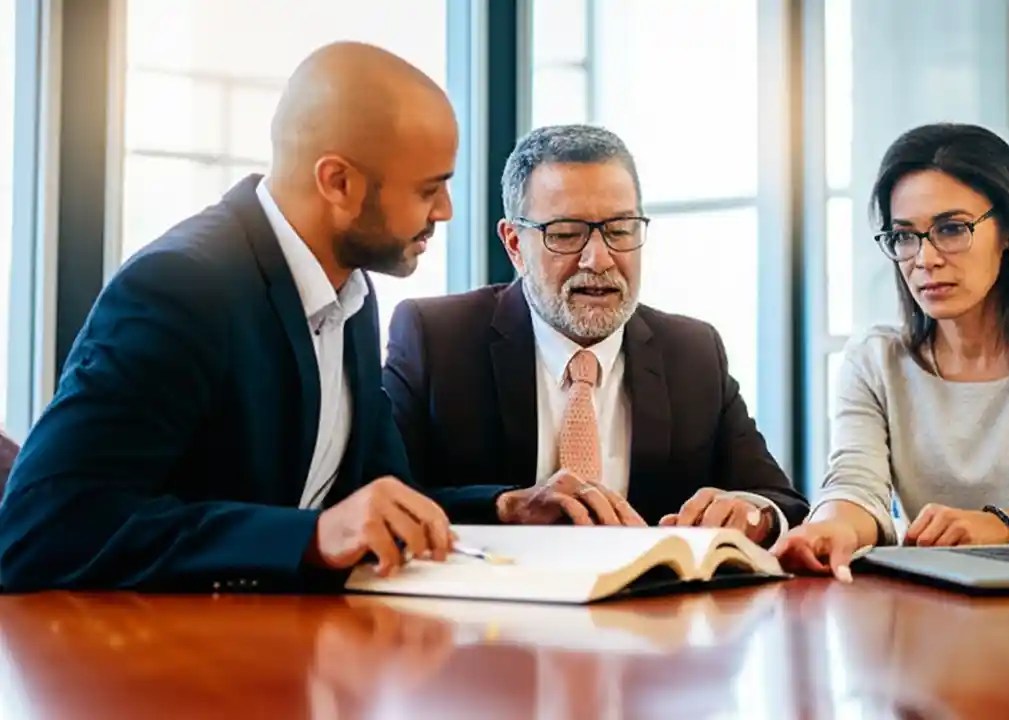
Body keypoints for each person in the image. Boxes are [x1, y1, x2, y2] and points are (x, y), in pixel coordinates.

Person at [0, 41, 457, 591]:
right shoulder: (182, 286)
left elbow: (376, 495)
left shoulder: (350, 290)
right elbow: (37, 530)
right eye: (429, 189)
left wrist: (503, 504)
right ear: (338, 182)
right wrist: (308, 538)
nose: (445, 211)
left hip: (290, 652)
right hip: (158, 661)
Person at [383, 124, 808, 545]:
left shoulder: (692, 352)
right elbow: (383, 501)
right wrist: (505, 506)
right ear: (514, 244)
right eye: (566, 234)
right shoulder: (436, 339)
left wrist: (752, 514)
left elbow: (780, 501)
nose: (598, 259)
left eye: (621, 230)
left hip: (650, 609)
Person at [772, 123, 1009, 581]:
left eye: (951, 229)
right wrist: (828, 528)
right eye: (905, 236)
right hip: (937, 614)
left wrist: (1001, 525)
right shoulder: (875, 361)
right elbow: (855, 486)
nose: (924, 259)